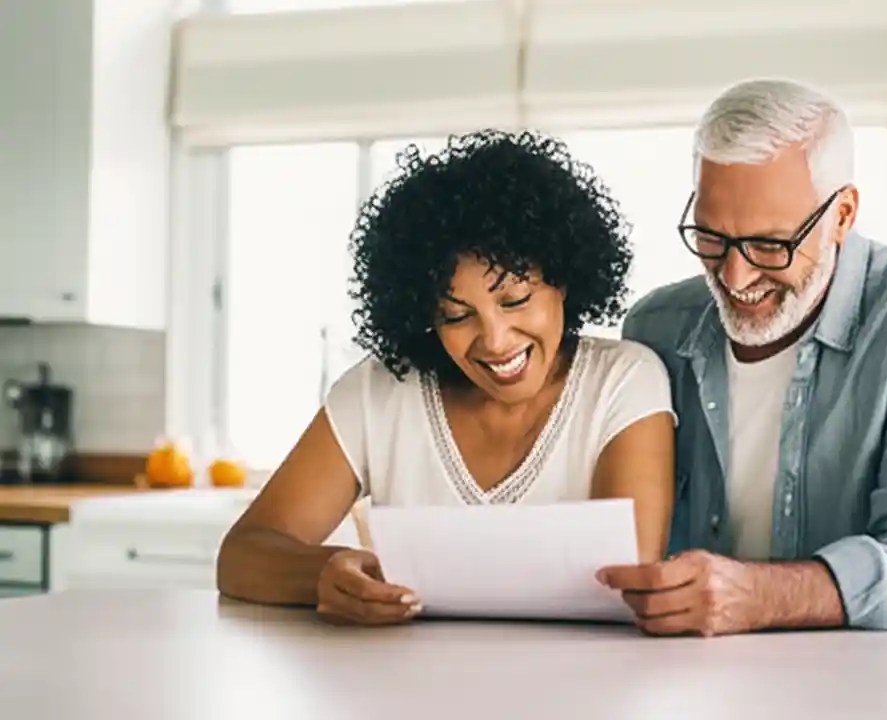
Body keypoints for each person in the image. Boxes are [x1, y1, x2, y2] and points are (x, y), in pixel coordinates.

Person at [217, 130, 676, 625]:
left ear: (564, 279)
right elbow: (242, 555)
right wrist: (325, 572)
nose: (495, 340)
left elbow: (625, 573)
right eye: (457, 316)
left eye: (515, 301)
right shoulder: (380, 393)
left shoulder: (623, 381)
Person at [598, 79, 887, 635]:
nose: (736, 277)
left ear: (842, 214)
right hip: (696, 675)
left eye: (770, 244)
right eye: (712, 238)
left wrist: (757, 596)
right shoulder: (655, 329)